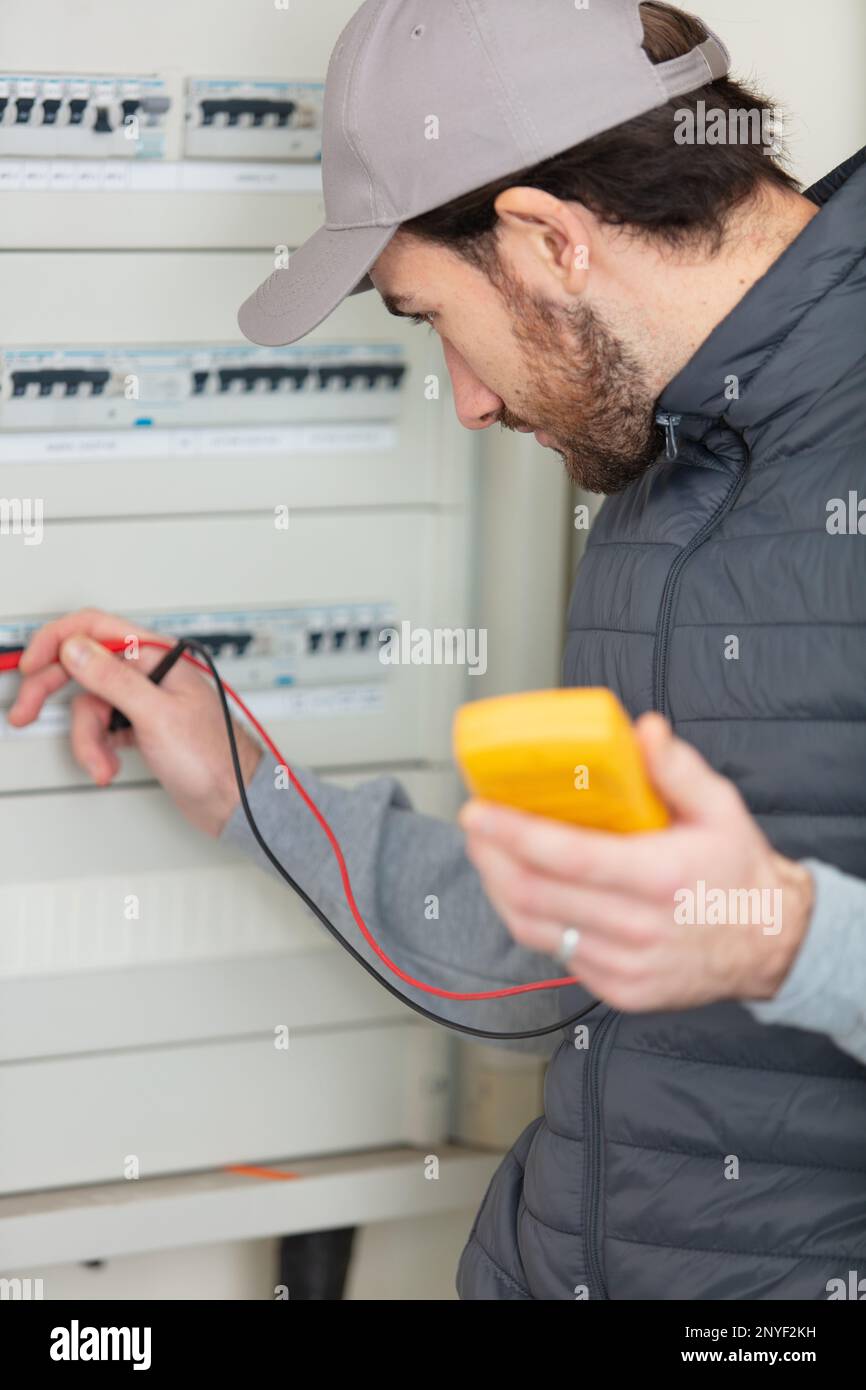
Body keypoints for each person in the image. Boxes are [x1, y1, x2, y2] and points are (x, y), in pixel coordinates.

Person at [10, 0, 866, 1299]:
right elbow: (564, 955)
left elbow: (737, 937)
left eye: (427, 316)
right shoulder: (660, 466)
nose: (464, 402)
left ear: (546, 238)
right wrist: (249, 783)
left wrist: (783, 941)